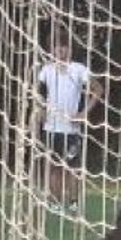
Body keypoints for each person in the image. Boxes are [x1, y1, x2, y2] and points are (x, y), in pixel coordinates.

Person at [36, 34, 97, 213]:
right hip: (51, 127)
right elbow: (38, 94)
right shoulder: (46, 70)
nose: (61, 50)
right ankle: (55, 203)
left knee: (72, 168)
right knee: (54, 167)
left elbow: (98, 90)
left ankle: (73, 202)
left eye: (64, 47)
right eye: (57, 47)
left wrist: (83, 113)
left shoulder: (79, 69)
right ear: (52, 50)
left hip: (71, 129)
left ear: (70, 49)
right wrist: (40, 112)